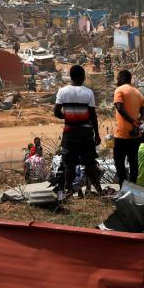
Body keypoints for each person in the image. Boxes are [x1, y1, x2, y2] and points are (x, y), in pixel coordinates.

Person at [54, 64, 103, 199]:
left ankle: (68, 190)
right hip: (86, 134)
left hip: (70, 132)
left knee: (69, 163)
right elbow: (93, 116)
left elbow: (56, 112)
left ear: (71, 77)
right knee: (90, 163)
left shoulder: (62, 91)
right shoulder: (88, 93)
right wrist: (97, 135)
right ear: (82, 77)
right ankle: (99, 190)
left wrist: (69, 116)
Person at [112, 69, 144, 184]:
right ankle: (133, 185)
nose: (117, 81)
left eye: (118, 79)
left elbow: (119, 108)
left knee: (119, 161)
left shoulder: (119, 90)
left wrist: (132, 121)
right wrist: (139, 123)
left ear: (122, 78)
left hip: (122, 134)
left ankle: (123, 185)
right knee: (133, 161)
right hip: (135, 134)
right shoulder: (138, 92)